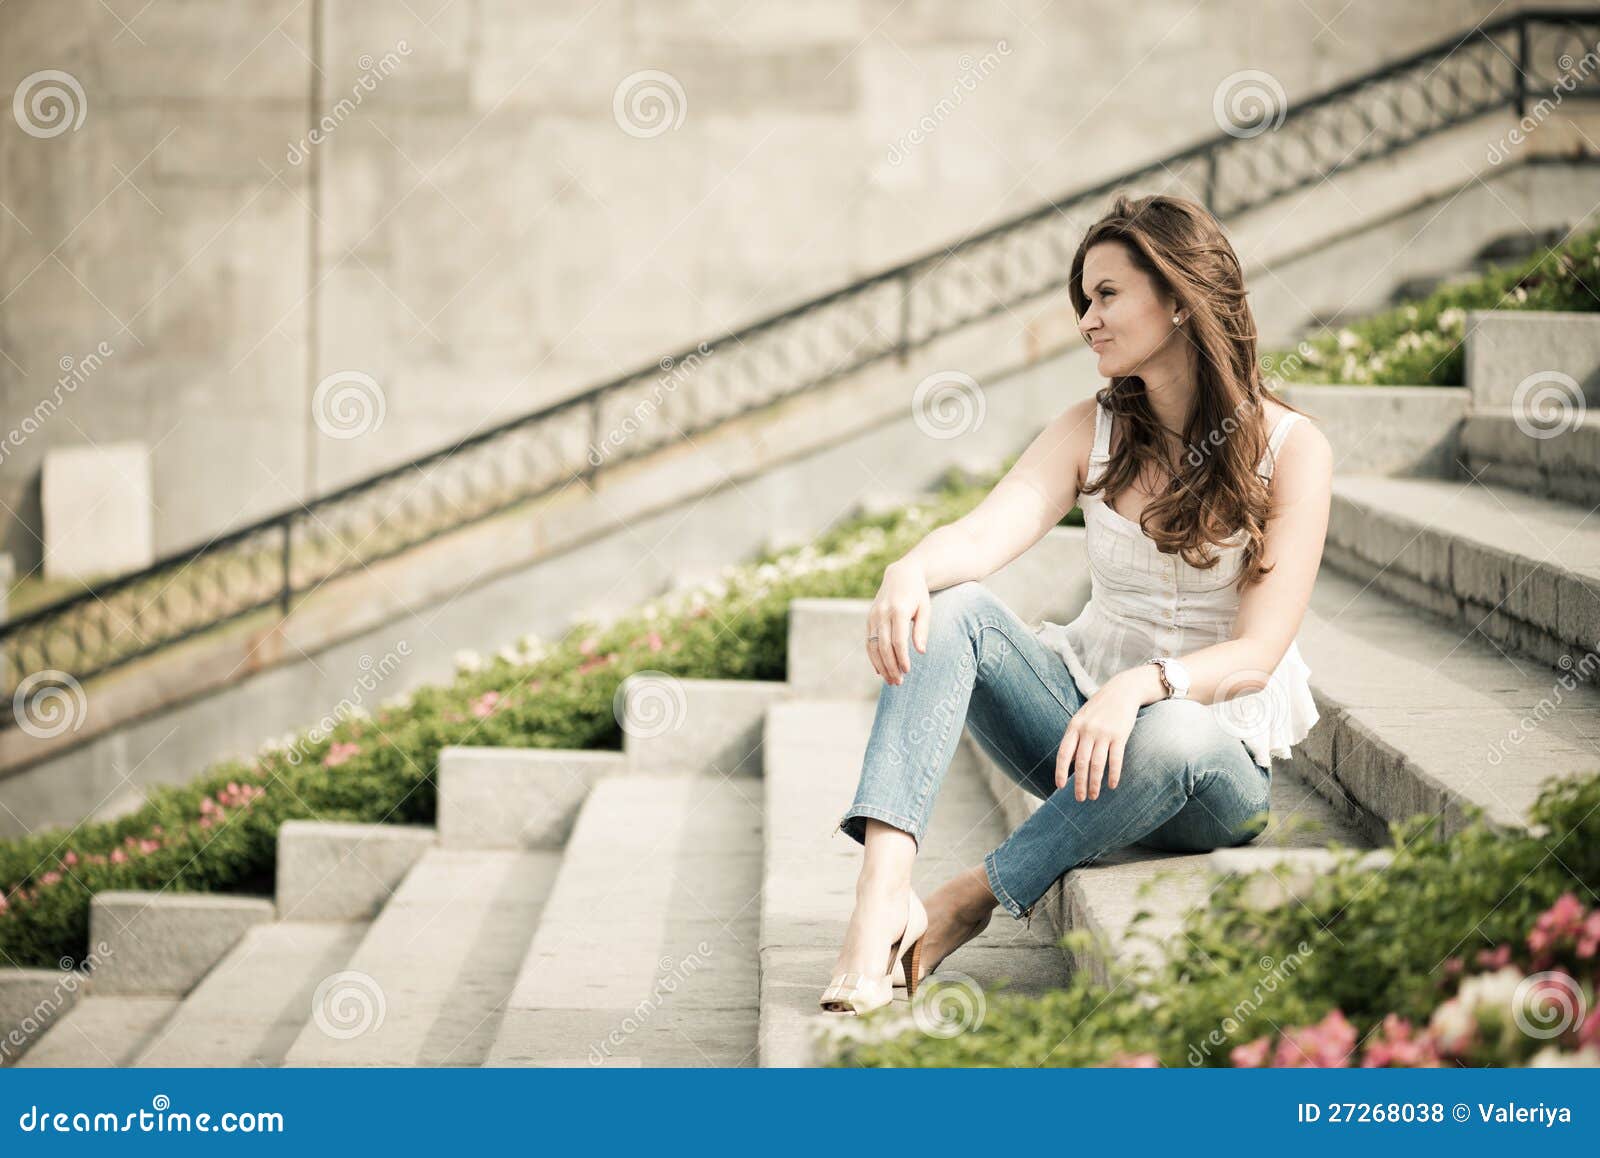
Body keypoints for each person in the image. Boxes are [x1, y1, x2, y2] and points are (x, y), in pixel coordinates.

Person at [818, 193, 1334, 1016]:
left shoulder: (1290, 450)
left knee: (1171, 726)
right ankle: (882, 892)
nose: (1087, 319)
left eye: (1106, 295)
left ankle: (971, 898)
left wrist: (1140, 687)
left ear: (1176, 298)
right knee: (953, 608)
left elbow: (1257, 655)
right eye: (1083, 300)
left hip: (1206, 766)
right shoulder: (1088, 430)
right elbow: (985, 534)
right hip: (1080, 747)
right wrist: (909, 567)